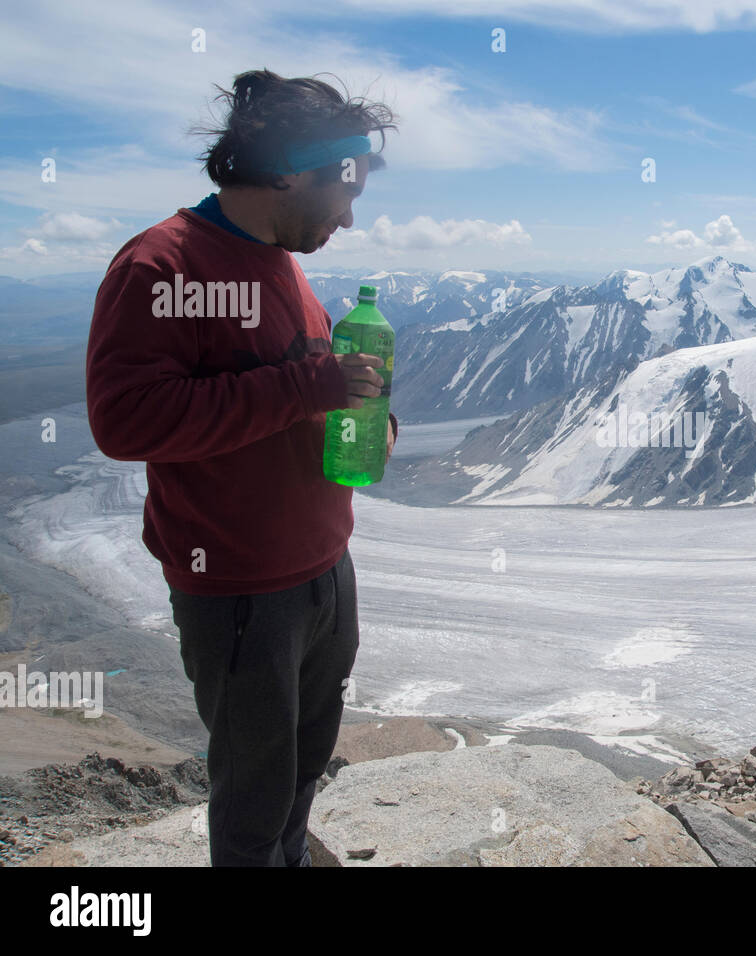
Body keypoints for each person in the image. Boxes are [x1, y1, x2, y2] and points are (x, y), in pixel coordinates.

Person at [84, 69, 400, 866]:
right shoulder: (163, 265)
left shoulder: (283, 265)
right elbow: (126, 420)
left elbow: (303, 389)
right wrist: (309, 387)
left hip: (324, 567)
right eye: (347, 191)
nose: (351, 216)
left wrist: (366, 418)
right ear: (292, 171)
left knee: (299, 765)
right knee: (254, 790)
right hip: (238, 586)